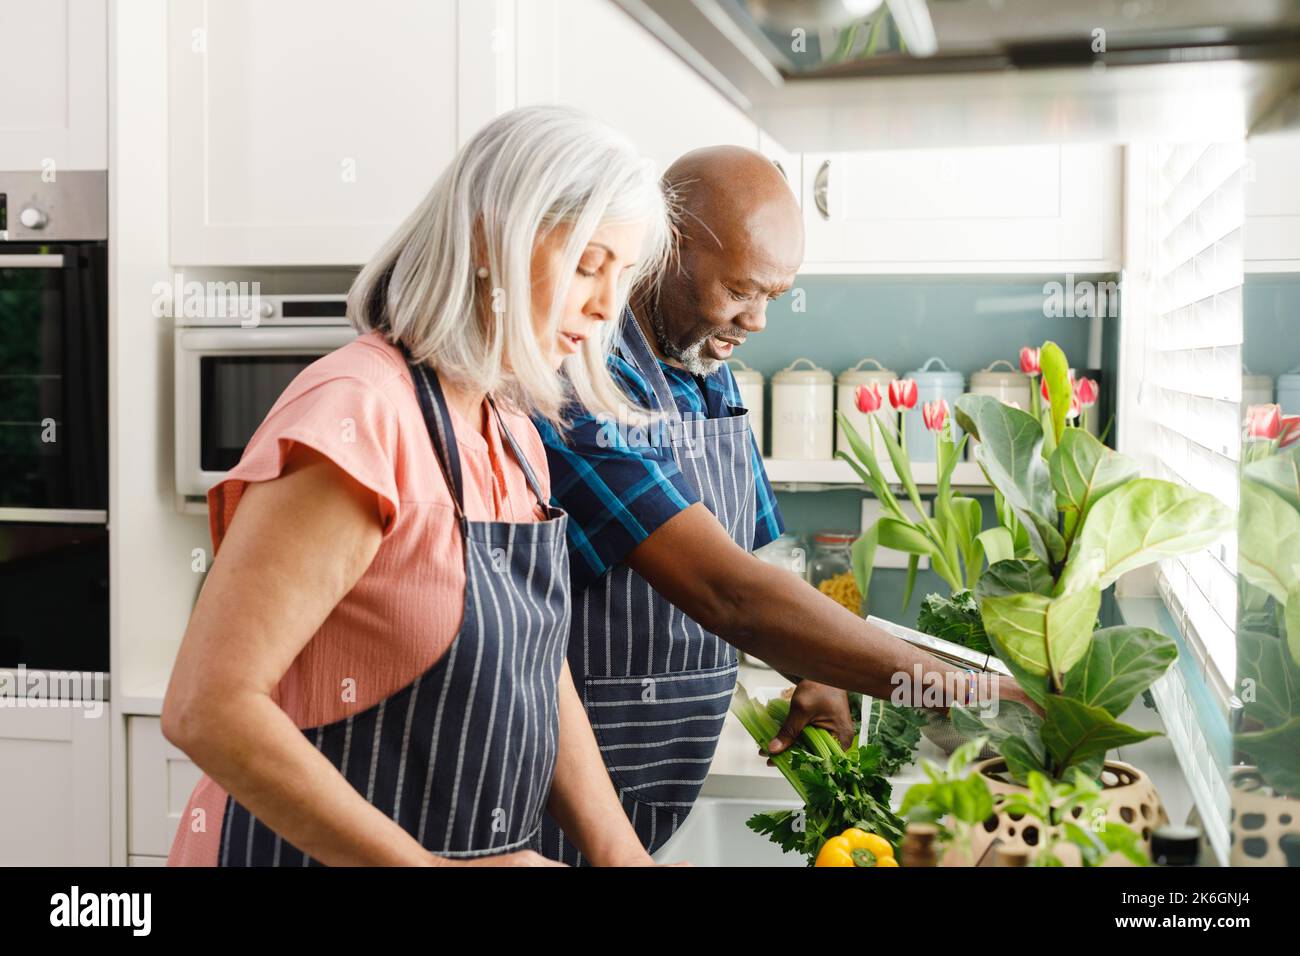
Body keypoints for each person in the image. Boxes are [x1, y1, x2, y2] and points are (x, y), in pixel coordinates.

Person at [163, 106, 677, 866]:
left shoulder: (510, 428)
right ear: (484, 239)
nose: (606, 307)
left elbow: (530, 665)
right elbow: (209, 709)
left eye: (621, 276)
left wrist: (617, 851)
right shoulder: (358, 418)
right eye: (587, 263)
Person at [533, 145, 1039, 863]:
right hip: (563, 794)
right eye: (741, 290)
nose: (759, 320)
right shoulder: (580, 385)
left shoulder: (707, 368)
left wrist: (818, 669)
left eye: (775, 294)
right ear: (665, 248)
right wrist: (957, 689)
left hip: (659, 784)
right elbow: (728, 592)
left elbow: (762, 555)